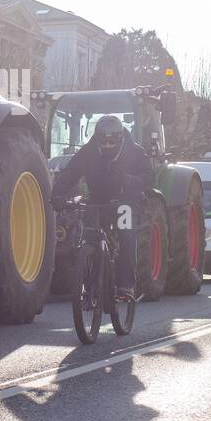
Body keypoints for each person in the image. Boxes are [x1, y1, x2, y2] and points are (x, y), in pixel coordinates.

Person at [50, 115, 155, 302]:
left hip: (127, 201)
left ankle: (126, 285)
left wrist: (129, 181)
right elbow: (70, 174)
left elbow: (148, 176)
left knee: (126, 235)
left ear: (120, 138)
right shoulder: (88, 152)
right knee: (89, 235)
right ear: (97, 139)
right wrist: (57, 194)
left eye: (111, 141)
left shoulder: (135, 152)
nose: (107, 145)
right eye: (103, 141)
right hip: (98, 200)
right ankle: (92, 280)